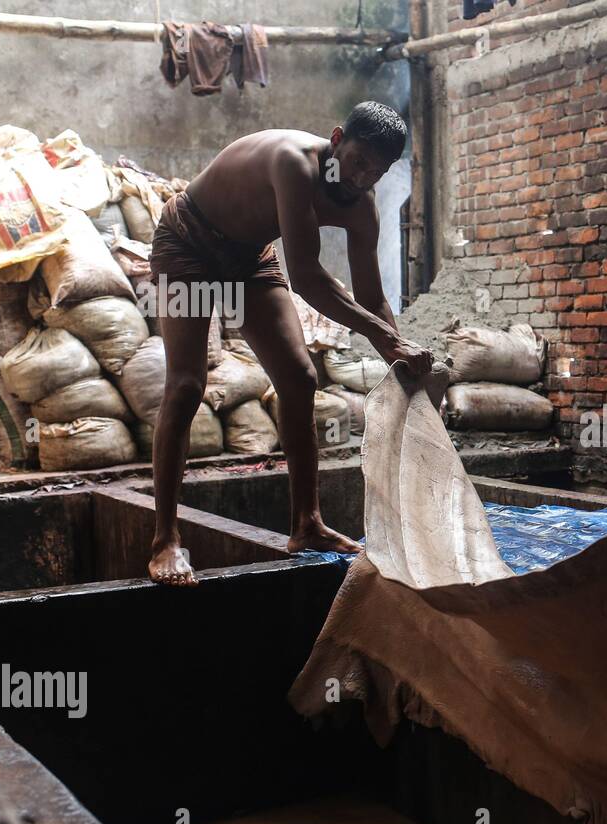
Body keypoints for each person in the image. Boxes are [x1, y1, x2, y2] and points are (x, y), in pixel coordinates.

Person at [146, 101, 433, 586]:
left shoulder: (362, 207)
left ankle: (307, 525)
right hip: (187, 242)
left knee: (300, 377)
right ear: (337, 139)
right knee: (187, 386)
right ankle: (165, 541)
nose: (362, 178)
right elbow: (305, 278)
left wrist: (400, 355)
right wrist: (385, 337)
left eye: (377, 172)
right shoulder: (293, 162)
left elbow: (371, 298)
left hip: (248, 259)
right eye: (359, 161)